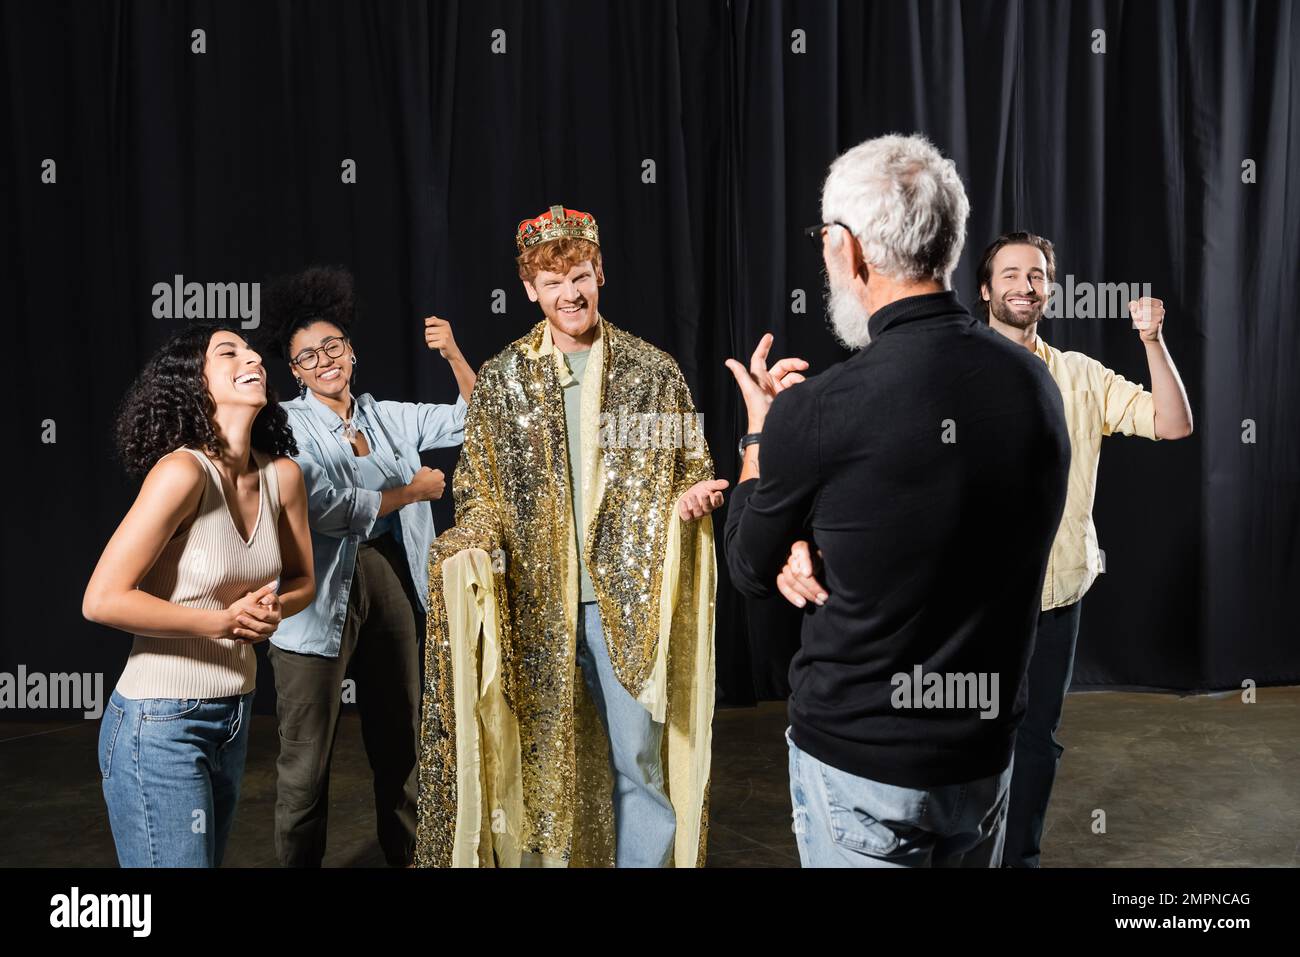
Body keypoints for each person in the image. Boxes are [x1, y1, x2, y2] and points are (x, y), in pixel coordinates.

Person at [724, 134, 1071, 867]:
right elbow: (933, 516)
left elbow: (749, 569)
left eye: (824, 241)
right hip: (982, 757)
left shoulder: (815, 410)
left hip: (859, 764)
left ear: (850, 251)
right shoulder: (1034, 386)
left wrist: (764, 437)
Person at [415, 206, 726, 867]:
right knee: (538, 767)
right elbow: (479, 493)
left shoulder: (650, 373)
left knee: (636, 761)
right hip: (533, 607)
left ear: (600, 273)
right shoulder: (502, 382)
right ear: (530, 290)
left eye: (580, 276)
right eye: (553, 283)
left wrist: (690, 497)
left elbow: (688, 468)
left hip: (628, 608)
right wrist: (466, 540)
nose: (570, 294)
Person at [972, 232, 1193, 867]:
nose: (1025, 285)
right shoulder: (955, 370)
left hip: (1054, 594)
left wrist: (1152, 341)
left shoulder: (1080, 376)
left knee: (1036, 739)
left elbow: (1173, 423)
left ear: (1050, 288)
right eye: (1010, 274)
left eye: (1037, 274)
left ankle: (1020, 861)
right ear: (985, 289)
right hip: (972, 601)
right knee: (967, 733)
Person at [259, 266, 473, 867]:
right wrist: (410, 489)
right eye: (308, 356)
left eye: (333, 346)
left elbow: (468, 417)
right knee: (305, 764)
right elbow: (326, 508)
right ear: (295, 371)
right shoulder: (288, 424)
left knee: (401, 742)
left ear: (351, 350)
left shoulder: (384, 415)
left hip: (389, 577)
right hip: (313, 596)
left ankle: (407, 858)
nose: (325, 360)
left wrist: (454, 354)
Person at [83, 323, 315, 867]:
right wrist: (222, 622)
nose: (252, 356)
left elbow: (304, 581)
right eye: (228, 351)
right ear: (195, 383)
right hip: (159, 722)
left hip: (234, 712)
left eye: (252, 349)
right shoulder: (182, 472)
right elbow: (102, 599)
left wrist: (275, 608)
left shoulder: (284, 476)